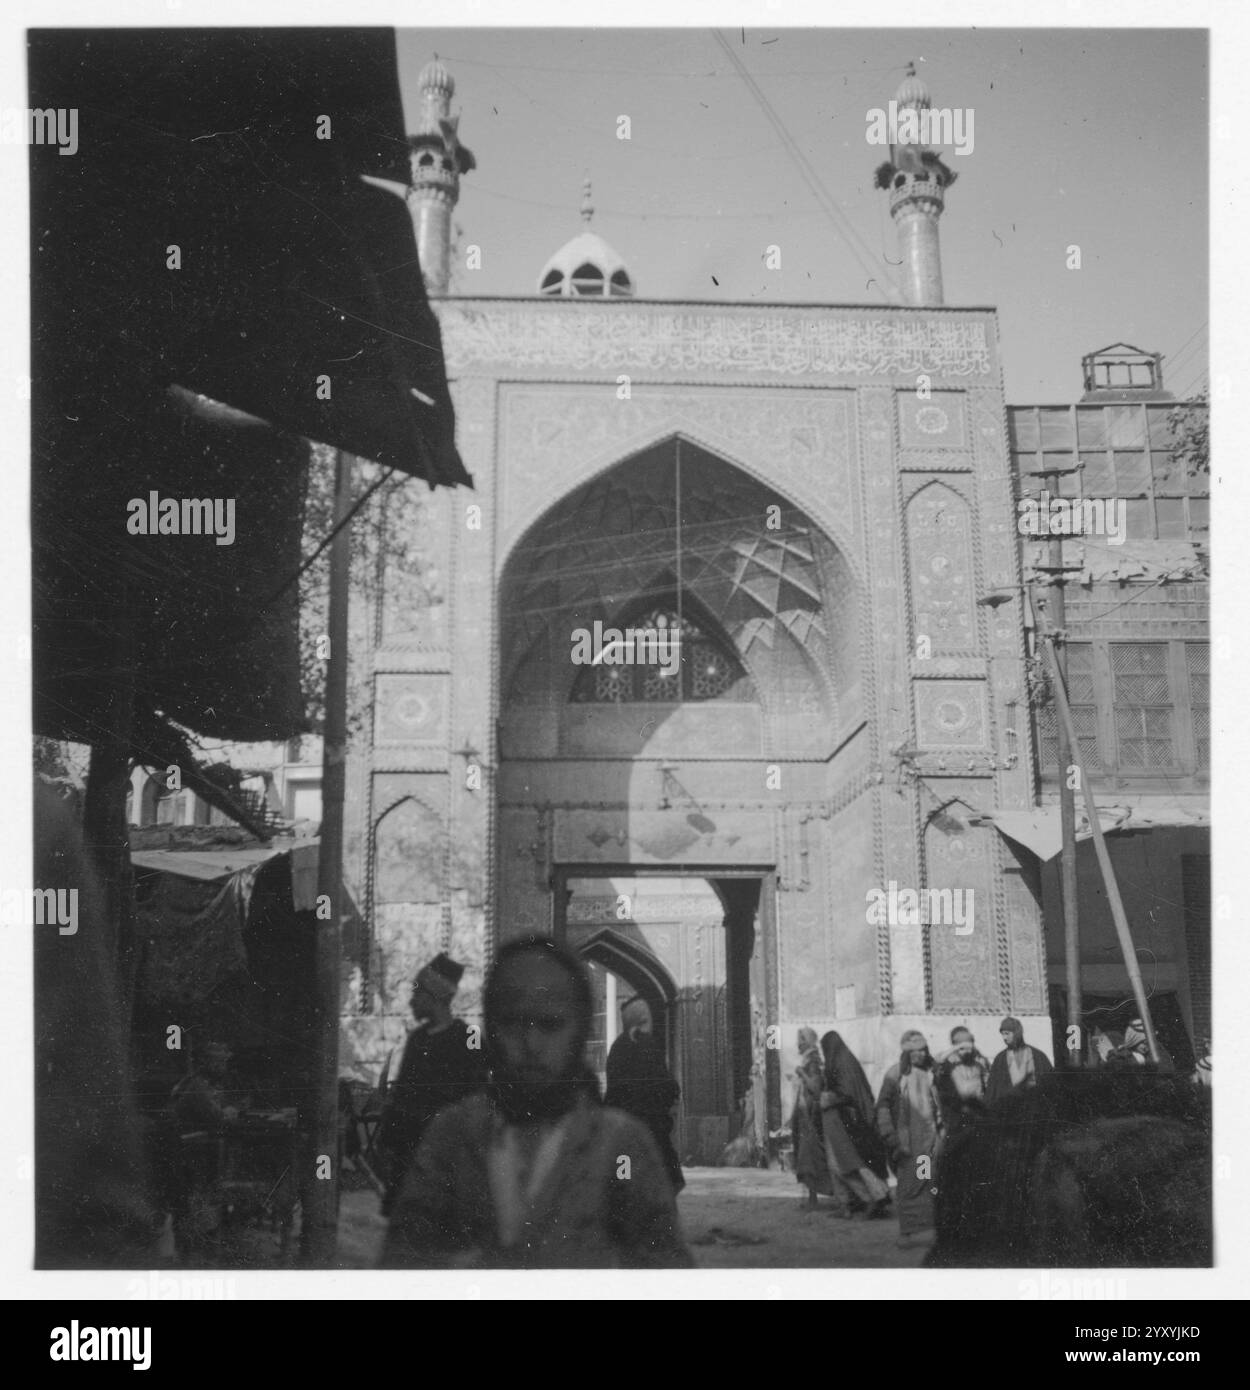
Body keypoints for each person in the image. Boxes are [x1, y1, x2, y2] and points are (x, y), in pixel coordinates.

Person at [380, 937, 693, 1268]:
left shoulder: (621, 1145)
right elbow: (403, 1264)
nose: (531, 1044)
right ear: (494, 1028)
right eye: (513, 1023)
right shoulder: (453, 1138)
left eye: (550, 1024)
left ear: (580, 1030)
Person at [374, 953, 489, 1215]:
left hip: (450, 1161)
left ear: (435, 997)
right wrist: (387, 1144)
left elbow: (478, 1101)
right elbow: (401, 1096)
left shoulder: (467, 1038)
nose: (412, 1001)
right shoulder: (416, 1040)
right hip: (411, 1156)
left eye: (418, 993)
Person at [604, 996, 685, 1194]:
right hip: (650, 1123)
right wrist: (673, 1091)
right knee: (665, 1179)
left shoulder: (616, 1047)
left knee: (624, 1176)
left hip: (622, 1123)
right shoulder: (646, 1043)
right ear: (642, 1020)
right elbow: (662, 1081)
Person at [876, 1029, 943, 1248]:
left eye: (923, 1050)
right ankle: (906, 1233)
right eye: (915, 1051)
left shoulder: (932, 1073)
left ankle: (926, 1230)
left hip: (928, 1141)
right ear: (907, 1052)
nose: (920, 1054)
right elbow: (883, 1106)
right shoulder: (896, 1074)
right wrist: (889, 1134)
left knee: (926, 1183)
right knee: (907, 1186)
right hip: (906, 1144)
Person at [818, 1031, 891, 1218]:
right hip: (845, 1120)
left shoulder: (842, 1064)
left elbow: (848, 1093)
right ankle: (860, 1200)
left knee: (850, 1162)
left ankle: (875, 1196)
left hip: (848, 1121)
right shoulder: (842, 1061)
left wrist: (831, 1098)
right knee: (846, 1163)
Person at [789, 1028, 833, 1209]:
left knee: (810, 1157)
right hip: (805, 1115)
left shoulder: (812, 1061)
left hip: (811, 1116)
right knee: (807, 1156)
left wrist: (801, 1074)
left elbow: (815, 1087)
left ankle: (813, 1200)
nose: (798, 1043)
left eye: (801, 1039)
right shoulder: (810, 1060)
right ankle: (812, 1198)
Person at [932, 1026, 991, 1141]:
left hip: (976, 1112)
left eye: (968, 1046)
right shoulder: (949, 1062)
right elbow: (937, 1062)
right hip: (955, 1113)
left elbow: (987, 1078)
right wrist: (957, 1047)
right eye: (962, 1048)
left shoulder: (979, 1061)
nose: (966, 1051)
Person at [986, 1016, 1053, 1106]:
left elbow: (1050, 1083)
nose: (1004, 1038)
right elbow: (992, 1090)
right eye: (1002, 1034)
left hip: (1035, 1107)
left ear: (1017, 1033)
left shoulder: (1038, 1056)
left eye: (1007, 1033)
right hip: (1010, 1109)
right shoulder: (1000, 1059)